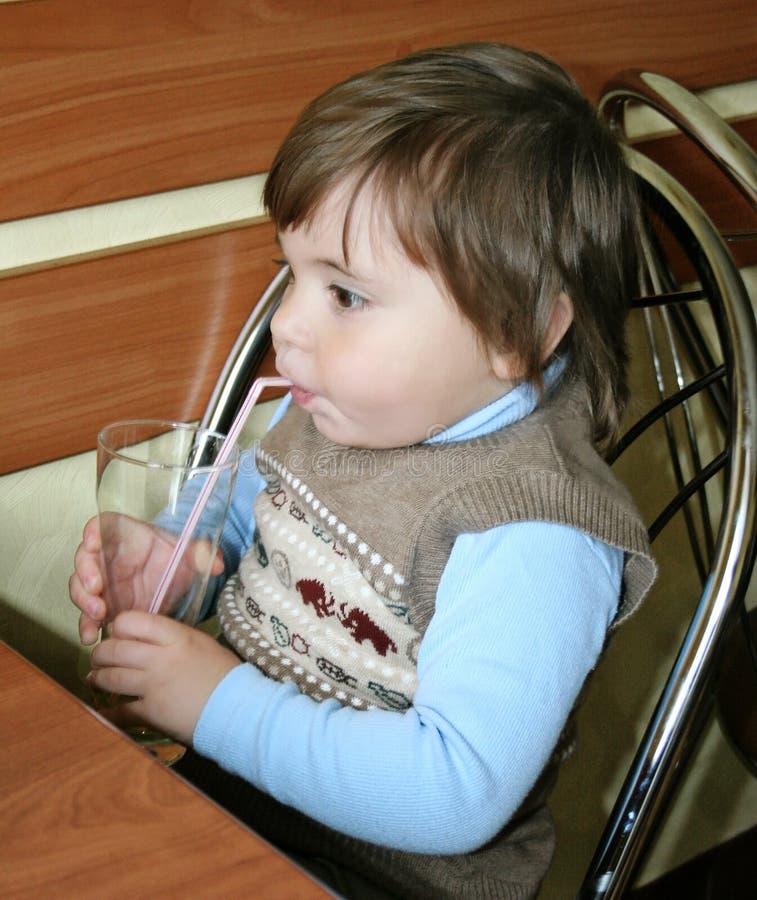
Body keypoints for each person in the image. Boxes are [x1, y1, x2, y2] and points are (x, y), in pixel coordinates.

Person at [70, 43, 656, 898]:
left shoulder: (535, 532)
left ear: (515, 333)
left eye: (344, 293)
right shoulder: (341, 402)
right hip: (227, 805)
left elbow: (454, 794)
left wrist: (214, 705)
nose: (288, 327)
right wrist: (176, 548)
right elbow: (240, 507)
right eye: (290, 275)